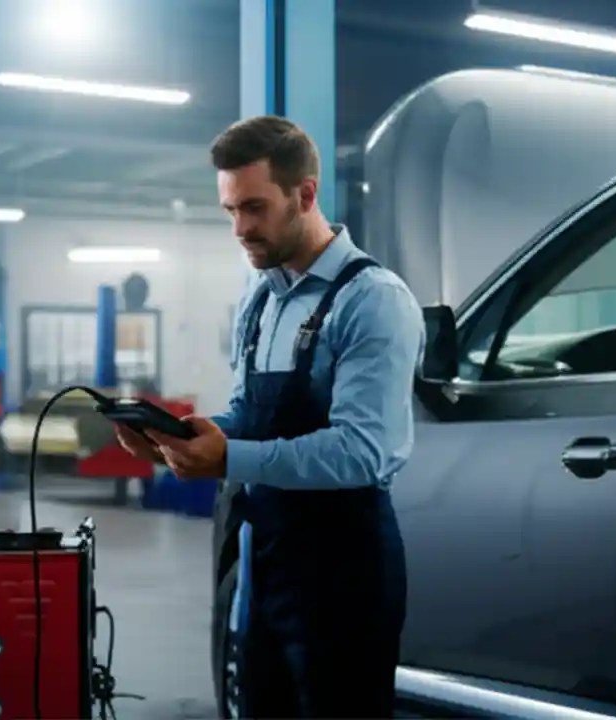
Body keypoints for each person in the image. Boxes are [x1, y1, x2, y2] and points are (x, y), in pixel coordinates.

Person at [115, 115, 424, 718]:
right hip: (265, 563)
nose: (240, 228)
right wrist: (183, 440)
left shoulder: (373, 301)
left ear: (305, 194)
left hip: (346, 571)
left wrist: (228, 457)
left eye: (253, 208)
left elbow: (363, 452)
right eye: (230, 210)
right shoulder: (262, 300)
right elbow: (247, 415)